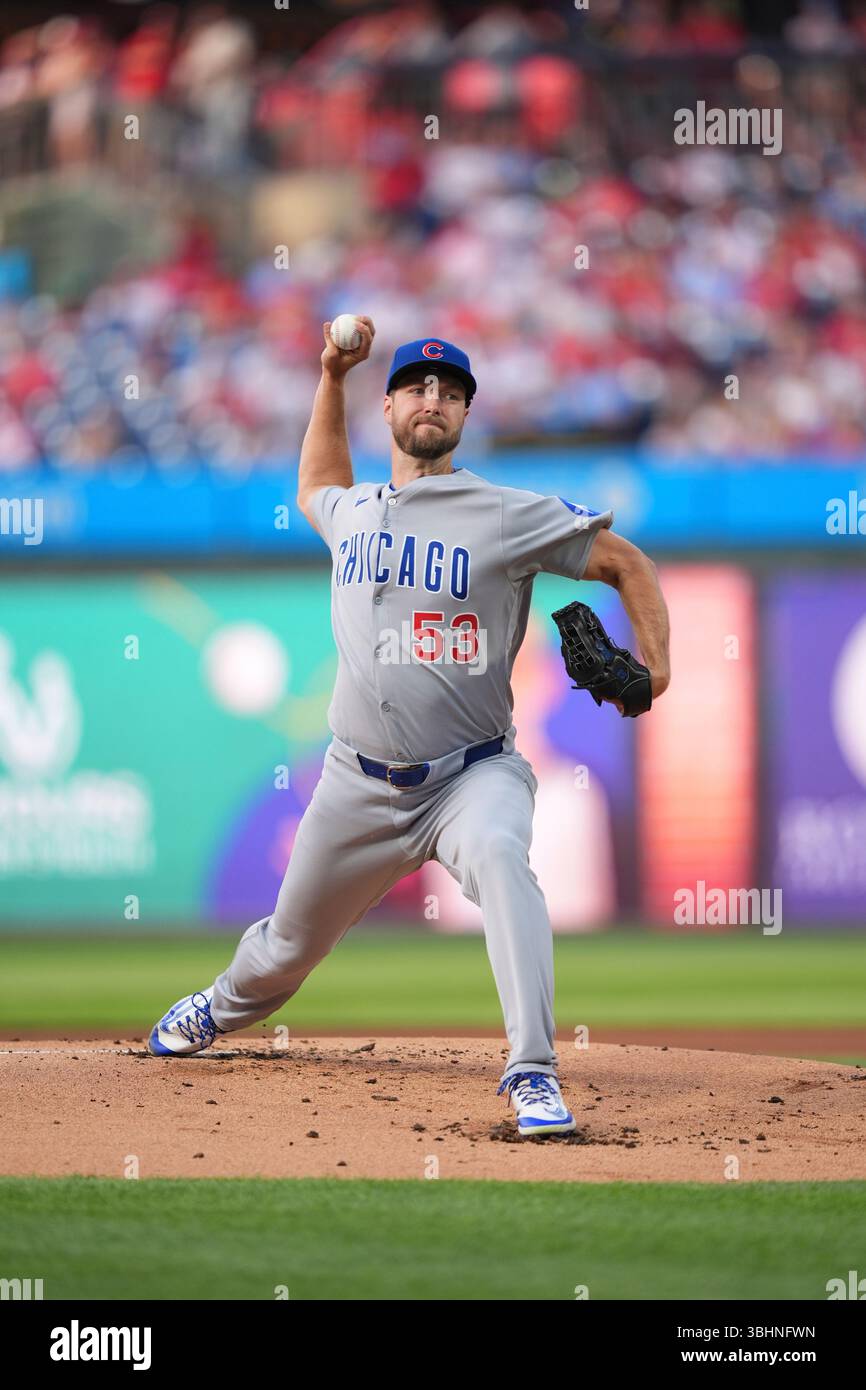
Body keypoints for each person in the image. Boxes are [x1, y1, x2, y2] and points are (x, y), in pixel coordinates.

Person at [147, 317, 671, 1139]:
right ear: (387, 407)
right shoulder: (352, 512)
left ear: (464, 418)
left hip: (474, 776)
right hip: (356, 783)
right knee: (286, 948)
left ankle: (533, 1072)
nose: (434, 398)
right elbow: (316, 481)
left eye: (452, 392)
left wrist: (660, 667)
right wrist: (328, 376)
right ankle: (218, 1004)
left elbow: (627, 563)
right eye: (418, 387)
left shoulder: (506, 513)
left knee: (502, 860)